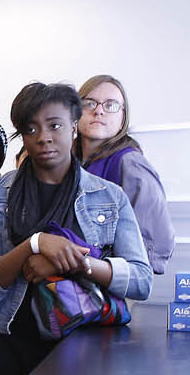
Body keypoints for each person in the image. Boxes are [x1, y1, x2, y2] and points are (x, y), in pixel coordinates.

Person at [0, 82, 152, 375]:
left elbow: (141, 280)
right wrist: (34, 245)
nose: (44, 137)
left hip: (82, 348)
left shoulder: (109, 197)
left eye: (54, 125)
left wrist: (76, 263)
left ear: (73, 125)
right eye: (31, 128)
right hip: (4, 343)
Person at [75, 74, 176, 274]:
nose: (99, 111)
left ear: (123, 118)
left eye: (110, 105)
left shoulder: (130, 163)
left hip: (112, 283)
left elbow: (156, 241)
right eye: (89, 103)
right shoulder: (72, 163)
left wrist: (120, 275)